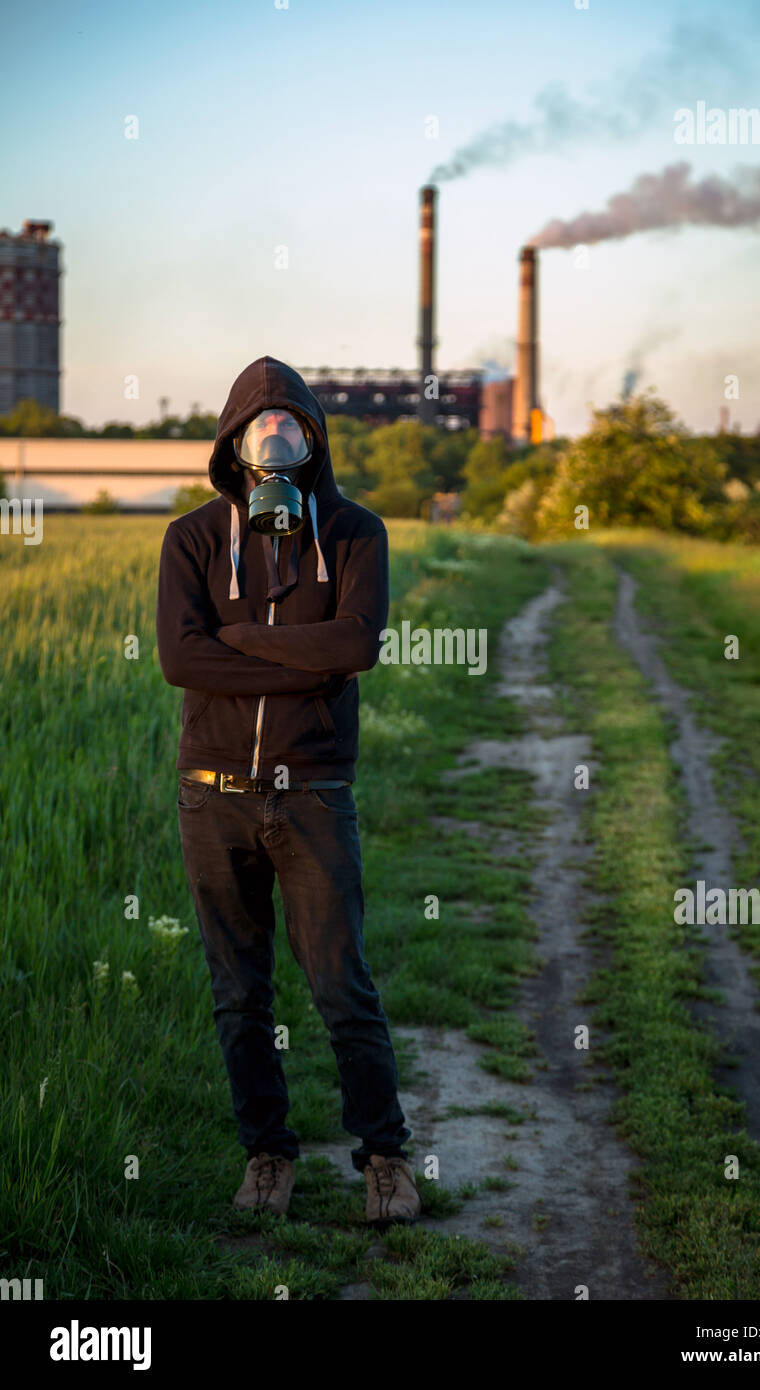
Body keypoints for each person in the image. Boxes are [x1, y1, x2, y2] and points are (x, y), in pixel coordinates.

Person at [156, 355, 419, 1227]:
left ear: (314, 440)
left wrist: (236, 639)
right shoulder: (192, 539)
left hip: (311, 793)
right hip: (214, 795)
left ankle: (385, 1159)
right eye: (259, 426)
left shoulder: (354, 532)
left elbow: (356, 646)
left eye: (291, 425)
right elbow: (178, 659)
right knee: (240, 993)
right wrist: (295, 663)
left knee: (343, 986)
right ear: (232, 442)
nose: (276, 438)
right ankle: (268, 1157)